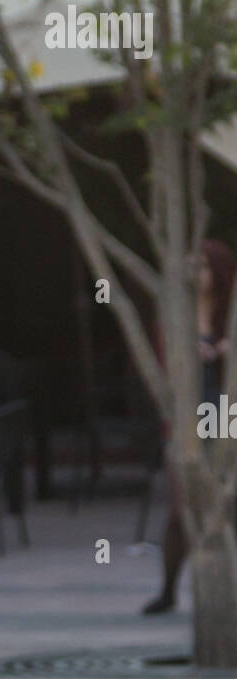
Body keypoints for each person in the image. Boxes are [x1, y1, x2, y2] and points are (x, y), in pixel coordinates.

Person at [144, 239, 236, 614]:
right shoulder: (174, 314)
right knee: (182, 505)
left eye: (202, 266)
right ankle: (168, 589)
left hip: (227, 412)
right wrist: (187, 353)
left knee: (228, 502)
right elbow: (160, 363)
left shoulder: (229, 312)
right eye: (190, 267)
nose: (196, 275)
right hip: (189, 414)